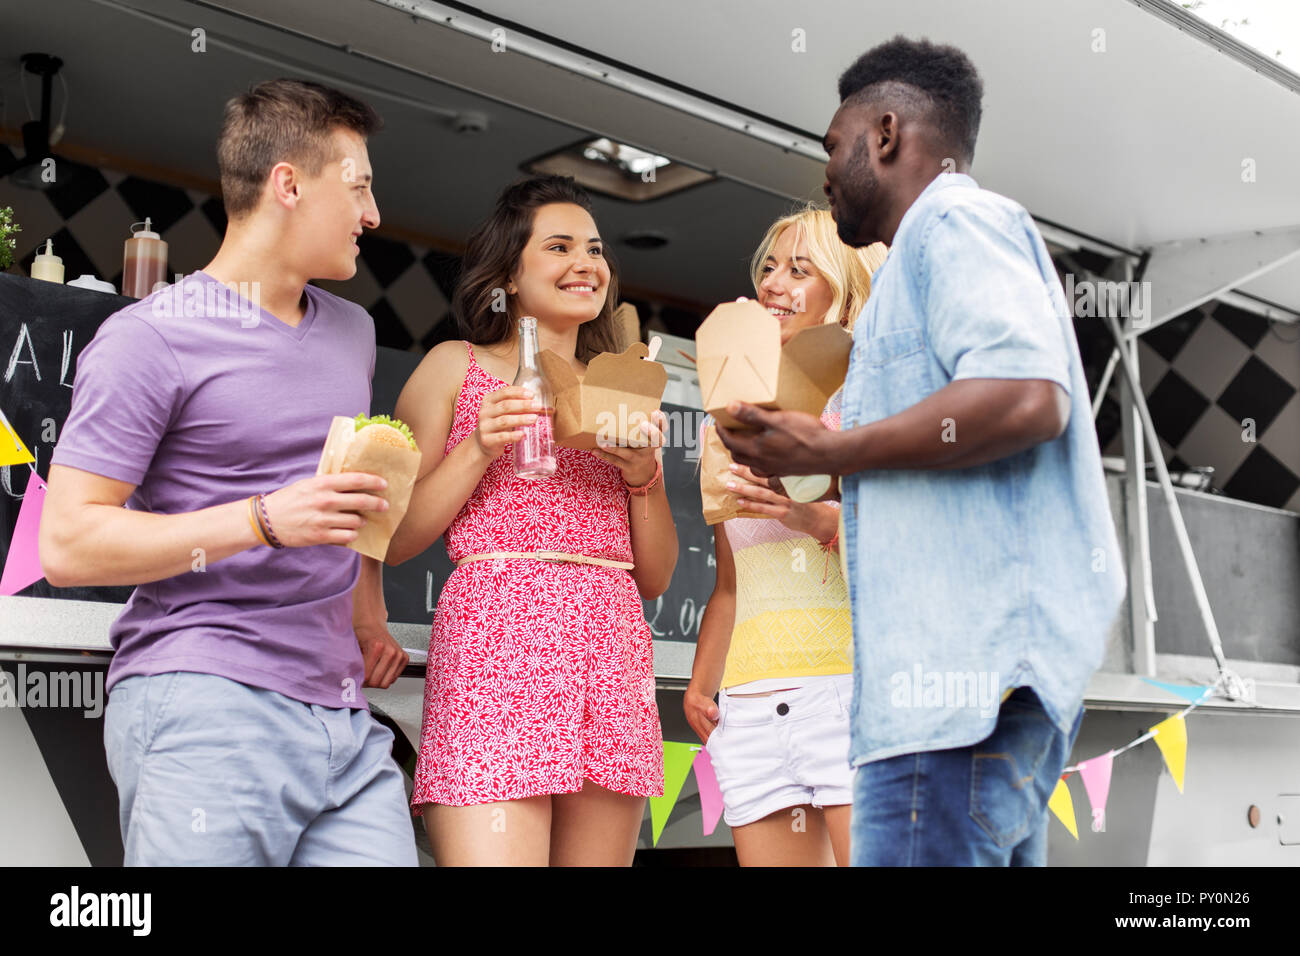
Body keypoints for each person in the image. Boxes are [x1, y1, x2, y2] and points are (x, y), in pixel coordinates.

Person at [716, 36, 1125, 866]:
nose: (826, 169)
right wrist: (822, 454)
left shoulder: (956, 220)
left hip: (956, 699)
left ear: (887, 133)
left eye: (833, 146)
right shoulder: (919, 259)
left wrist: (840, 447)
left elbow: (1025, 395)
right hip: (962, 696)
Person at [39, 79, 418, 866]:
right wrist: (261, 520)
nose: (374, 215)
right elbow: (69, 544)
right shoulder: (149, 339)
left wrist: (366, 606)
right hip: (207, 701)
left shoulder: (352, 331)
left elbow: (348, 509)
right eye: (359, 187)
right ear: (288, 184)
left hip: (345, 723)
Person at [377, 175, 677, 866]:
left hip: (610, 646)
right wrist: (479, 447)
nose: (587, 263)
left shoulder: (617, 388)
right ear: (508, 274)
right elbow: (393, 540)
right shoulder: (456, 367)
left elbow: (654, 577)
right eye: (561, 246)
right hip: (498, 648)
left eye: (596, 249)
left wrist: (643, 476)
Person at [685, 207, 884, 866]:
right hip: (746, 700)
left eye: (800, 269)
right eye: (769, 267)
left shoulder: (871, 404)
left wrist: (810, 514)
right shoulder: (726, 423)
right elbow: (730, 584)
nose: (774, 283)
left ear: (844, 288)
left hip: (849, 690)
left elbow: (899, 551)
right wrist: (701, 684)